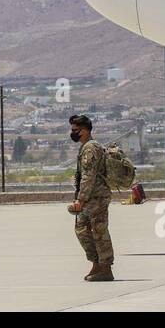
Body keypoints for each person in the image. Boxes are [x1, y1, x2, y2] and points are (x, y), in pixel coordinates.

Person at [68, 114, 114, 281]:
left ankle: (105, 268)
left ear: (85, 130)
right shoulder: (85, 147)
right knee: (82, 230)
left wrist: (80, 199)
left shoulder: (91, 148)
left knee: (98, 231)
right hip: (90, 198)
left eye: (75, 130)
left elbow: (89, 176)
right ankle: (96, 263)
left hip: (96, 198)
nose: (72, 133)